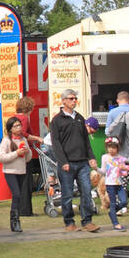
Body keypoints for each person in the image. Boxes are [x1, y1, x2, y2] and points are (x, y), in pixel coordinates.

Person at [48, 89, 99, 233]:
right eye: (70, 98)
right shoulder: (57, 120)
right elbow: (56, 143)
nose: (73, 101)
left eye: (75, 98)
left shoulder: (80, 118)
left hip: (82, 162)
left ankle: (87, 221)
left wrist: (92, 158)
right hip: (67, 163)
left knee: (86, 191)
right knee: (67, 194)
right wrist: (63, 161)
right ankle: (69, 222)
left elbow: (86, 141)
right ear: (63, 100)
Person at [0, 116, 30, 233]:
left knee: (19, 195)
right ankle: (15, 221)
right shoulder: (6, 140)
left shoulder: (23, 139)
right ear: (10, 129)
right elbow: (0, 158)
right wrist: (16, 153)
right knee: (16, 194)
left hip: (21, 170)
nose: (19, 128)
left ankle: (16, 221)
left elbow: (27, 158)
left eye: (20, 125)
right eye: (16, 126)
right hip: (10, 171)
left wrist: (27, 151)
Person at [11, 97, 41, 216]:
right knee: (26, 183)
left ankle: (19, 208)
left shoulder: (13, 117)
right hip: (23, 152)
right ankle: (26, 210)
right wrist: (37, 139)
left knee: (19, 182)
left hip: (15, 152)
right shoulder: (23, 118)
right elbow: (23, 133)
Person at [100, 137, 128, 231]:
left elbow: (125, 172)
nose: (111, 150)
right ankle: (116, 224)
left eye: (113, 147)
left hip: (119, 184)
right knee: (113, 203)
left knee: (124, 201)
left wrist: (124, 168)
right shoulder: (105, 157)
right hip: (110, 184)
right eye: (109, 147)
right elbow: (103, 171)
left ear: (117, 148)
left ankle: (112, 212)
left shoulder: (120, 158)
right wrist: (96, 168)